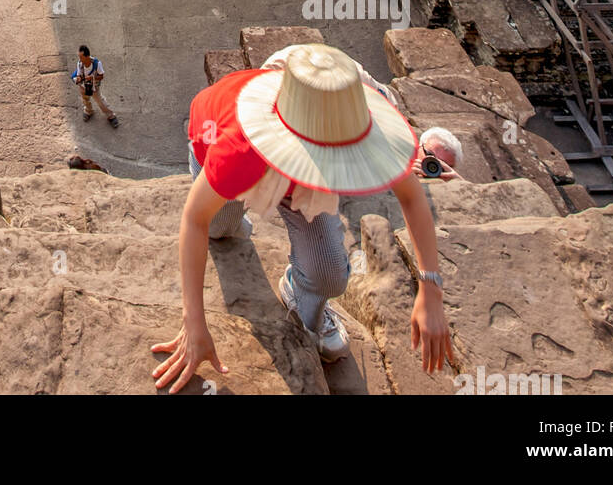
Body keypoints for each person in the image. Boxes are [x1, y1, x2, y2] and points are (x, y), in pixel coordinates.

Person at [152, 43, 452, 391]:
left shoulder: (354, 120)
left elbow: (413, 197)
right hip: (229, 151)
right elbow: (195, 219)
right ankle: (237, 217)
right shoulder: (241, 149)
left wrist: (431, 290)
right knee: (221, 229)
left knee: (331, 274)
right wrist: (194, 323)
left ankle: (300, 291)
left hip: (298, 176)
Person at [71, 46, 118, 126]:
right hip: (83, 86)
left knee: (100, 101)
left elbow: (101, 76)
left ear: (87, 57)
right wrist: (78, 78)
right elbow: (79, 74)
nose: (80, 59)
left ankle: (111, 116)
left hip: (94, 87)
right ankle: (88, 111)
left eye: (81, 57)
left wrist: (92, 77)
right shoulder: (80, 63)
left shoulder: (97, 63)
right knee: (85, 100)